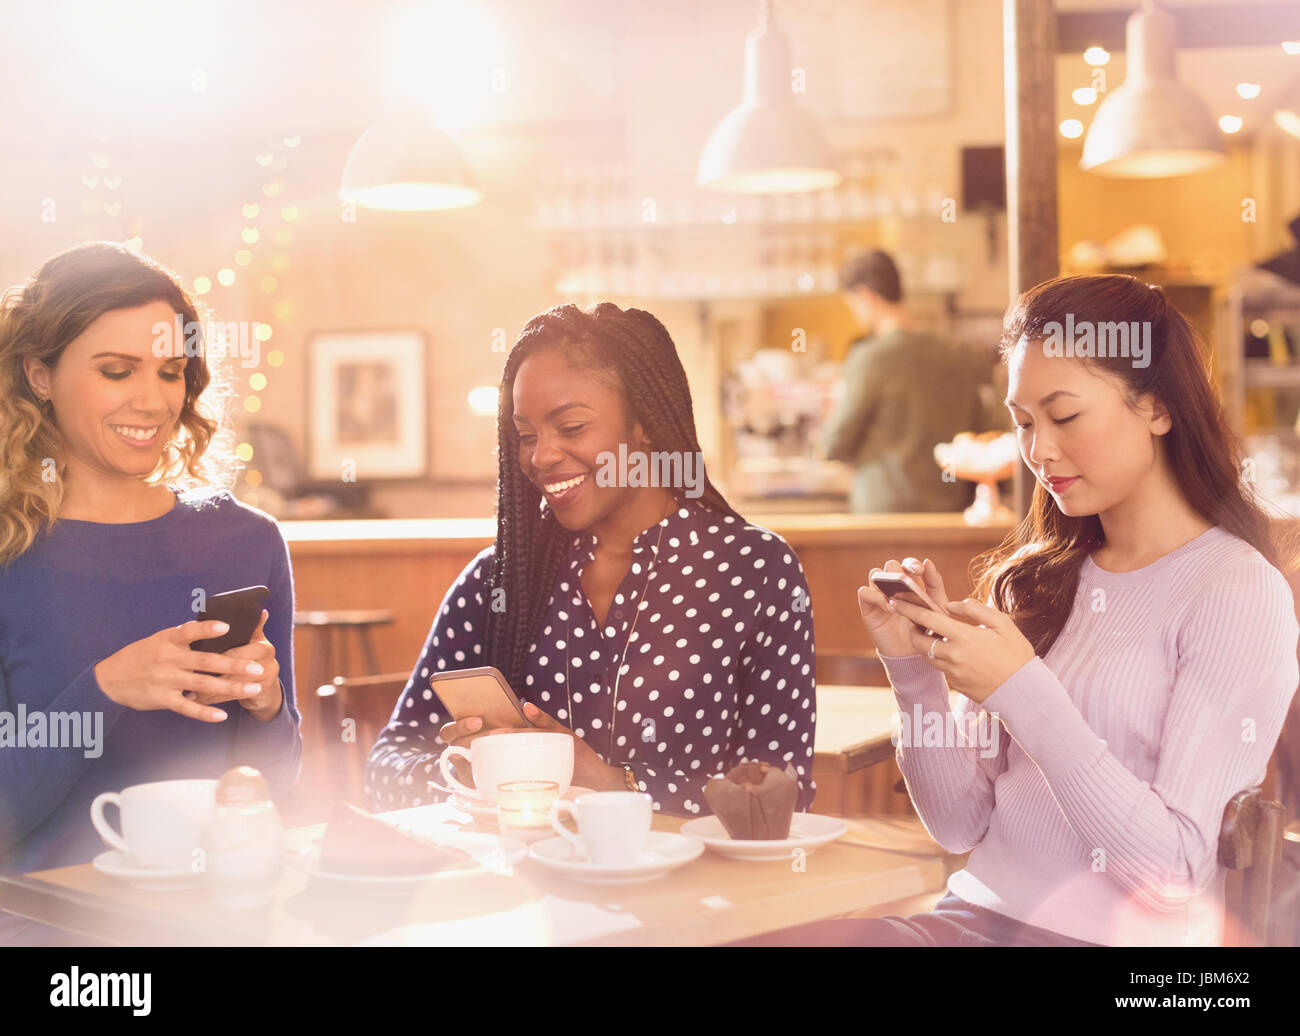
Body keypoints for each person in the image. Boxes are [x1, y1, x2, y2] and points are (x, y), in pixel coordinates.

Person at [737, 274, 1300, 946]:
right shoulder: (1033, 582)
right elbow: (958, 824)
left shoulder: (1235, 592)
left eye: (1063, 417)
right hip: (969, 922)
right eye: (1024, 423)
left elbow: (1173, 874)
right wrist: (912, 670)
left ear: (1157, 407)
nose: (1039, 452)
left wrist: (1022, 689)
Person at [366, 303, 816, 816]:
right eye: (527, 436)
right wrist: (470, 774)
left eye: (572, 428)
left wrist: (609, 782)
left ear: (643, 423)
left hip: (698, 893)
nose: (541, 456)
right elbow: (386, 765)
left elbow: (783, 798)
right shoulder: (498, 580)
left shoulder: (752, 569)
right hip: (530, 890)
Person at [0, 242, 302, 944]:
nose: (152, 399)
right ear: (39, 374)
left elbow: (274, 793)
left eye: (171, 373)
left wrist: (264, 708)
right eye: (116, 370)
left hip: (217, 921)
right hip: (49, 933)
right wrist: (102, 690)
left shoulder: (247, 542)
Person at [819, 248, 988, 513]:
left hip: (885, 518)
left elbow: (835, 444)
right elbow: (980, 433)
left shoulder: (869, 358)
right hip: (951, 514)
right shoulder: (956, 355)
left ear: (865, 296)